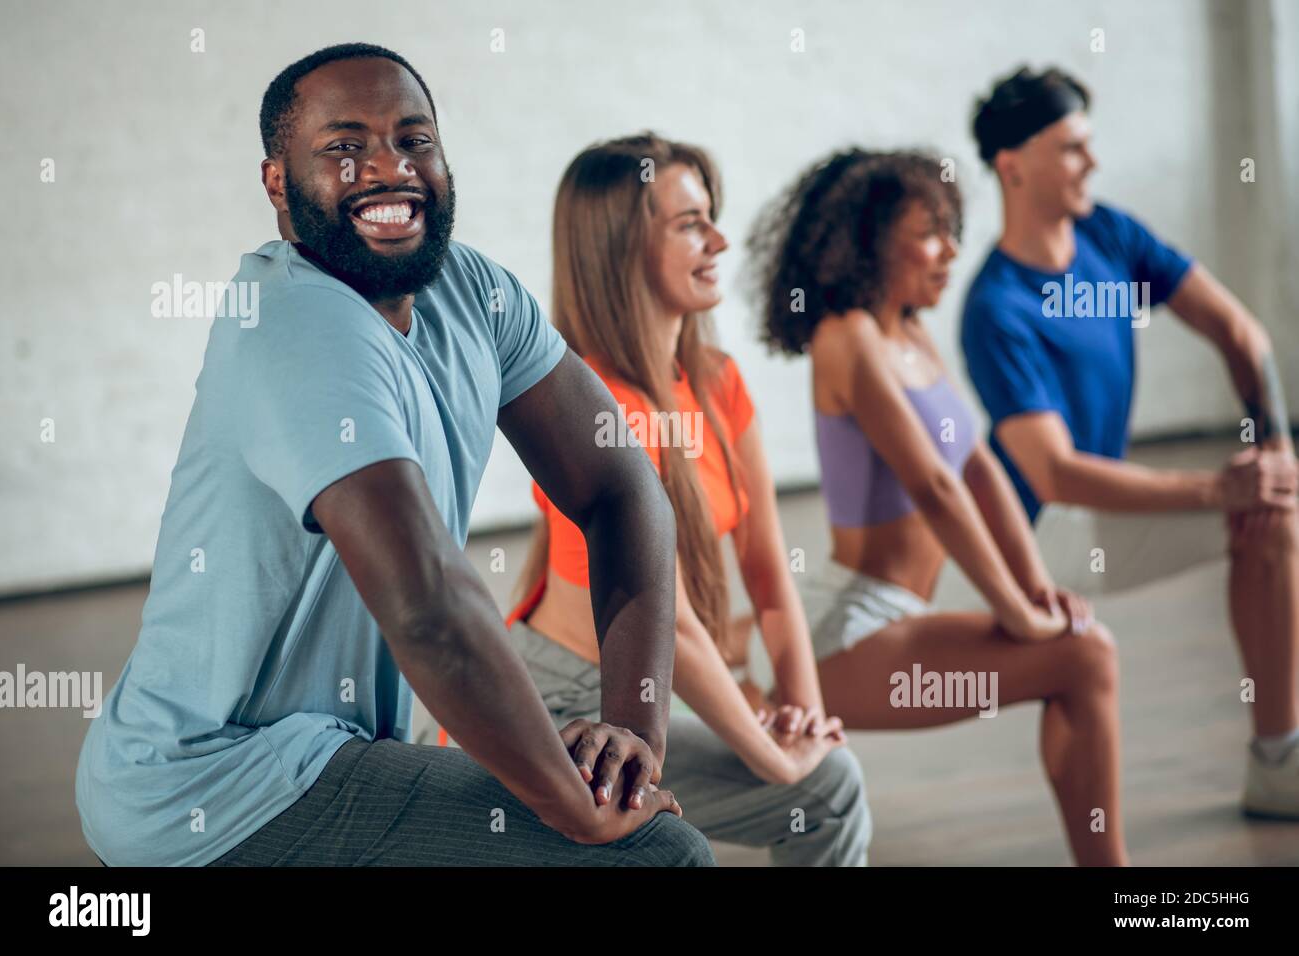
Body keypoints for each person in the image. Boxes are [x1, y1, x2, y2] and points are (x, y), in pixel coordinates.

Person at [74, 43, 713, 867]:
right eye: (344, 148)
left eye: (414, 139)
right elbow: (429, 607)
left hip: (331, 754)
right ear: (277, 184)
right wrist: (575, 807)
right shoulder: (295, 324)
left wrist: (632, 731)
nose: (388, 168)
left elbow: (624, 490)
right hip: (212, 783)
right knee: (655, 857)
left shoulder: (475, 293)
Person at [749, 148, 1127, 865]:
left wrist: (1032, 583)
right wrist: (1015, 614)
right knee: (1082, 656)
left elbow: (978, 468)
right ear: (867, 242)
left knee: (1080, 656)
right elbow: (935, 486)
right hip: (848, 632)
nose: (950, 249)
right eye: (928, 232)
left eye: (951, 229)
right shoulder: (848, 337)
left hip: (895, 618)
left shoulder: (910, 334)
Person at [507, 132, 871, 866]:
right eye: (690, 224)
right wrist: (776, 760)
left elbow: (768, 572)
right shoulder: (593, 406)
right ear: (621, 248)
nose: (720, 239)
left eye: (712, 216)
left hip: (637, 697)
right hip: (561, 707)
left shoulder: (716, 381)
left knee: (825, 773)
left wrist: (803, 715)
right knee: (825, 790)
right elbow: (668, 621)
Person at [961, 65, 1299, 818]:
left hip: (1104, 506)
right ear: (1012, 167)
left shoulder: (1109, 235)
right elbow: (1053, 475)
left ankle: (1278, 762)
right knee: (1258, 507)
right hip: (1044, 535)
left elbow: (1241, 330)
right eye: (1073, 148)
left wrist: (1272, 442)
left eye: (1090, 144)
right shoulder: (996, 305)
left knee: (1274, 509)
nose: (1094, 161)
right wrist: (1220, 488)